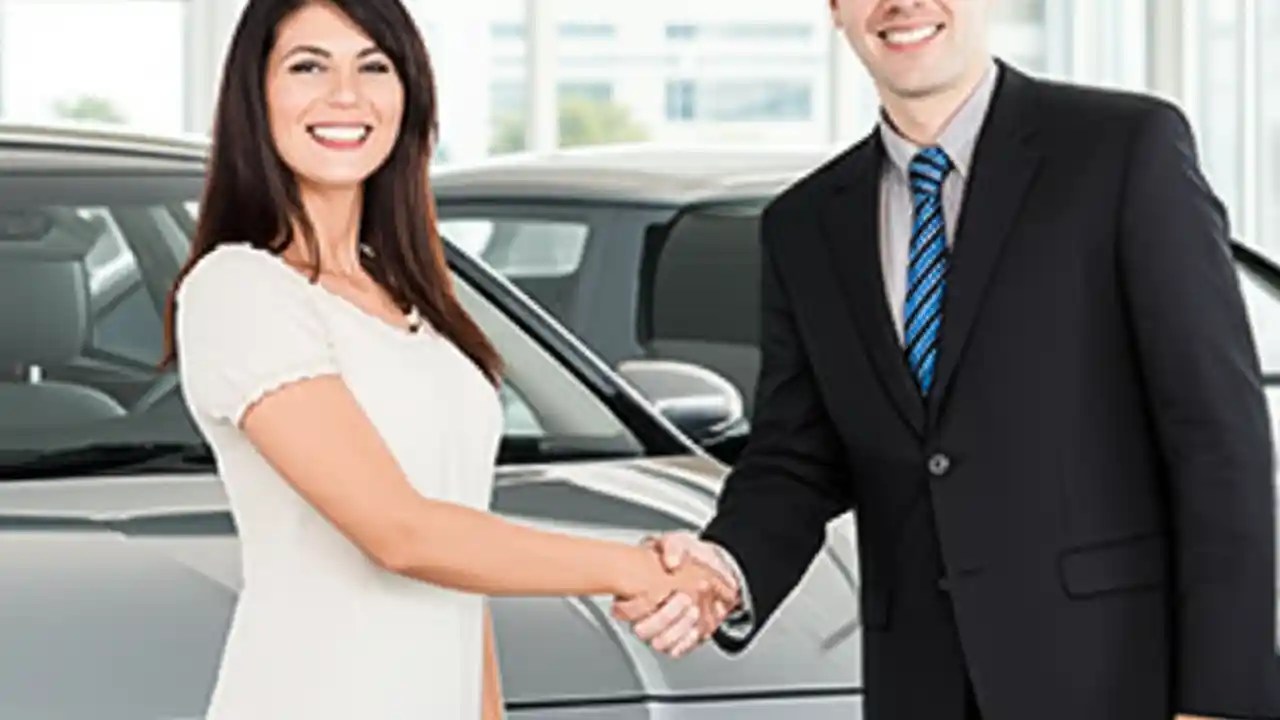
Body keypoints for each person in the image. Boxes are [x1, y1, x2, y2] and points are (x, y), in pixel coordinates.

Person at [614, 1, 1280, 719]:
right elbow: (796, 457)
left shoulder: (1121, 151)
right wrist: (725, 565)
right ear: (836, 9)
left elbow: (1218, 439)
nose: (902, 4)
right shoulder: (804, 224)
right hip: (921, 683)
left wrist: (1223, 700)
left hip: (1113, 680)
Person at [161, 1, 733, 718]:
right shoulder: (240, 288)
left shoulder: (413, 299)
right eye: (309, 66)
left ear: (409, 95)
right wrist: (635, 568)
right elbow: (402, 534)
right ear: (255, 95)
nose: (346, 94)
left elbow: (457, 556)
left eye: (375, 66)